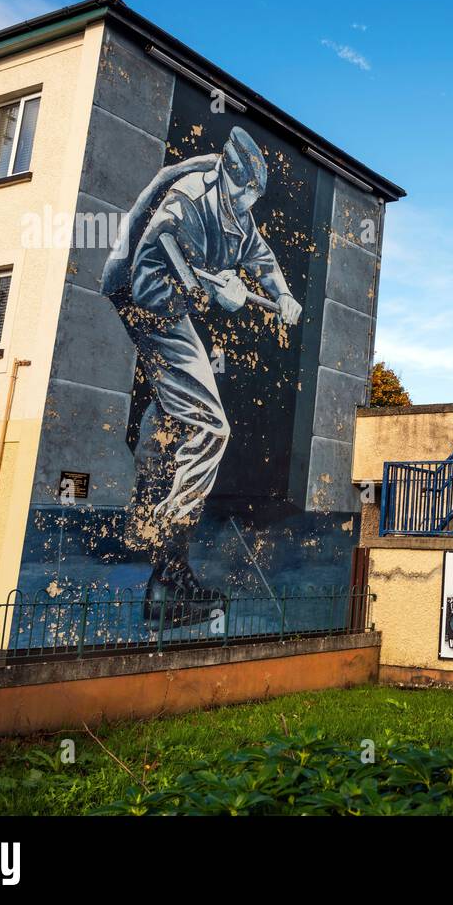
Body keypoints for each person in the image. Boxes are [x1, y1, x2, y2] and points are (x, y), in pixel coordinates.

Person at [101, 128, 304, 616]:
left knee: (169, 415)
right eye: (243, 195)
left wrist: (281, 294)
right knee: (211, 427)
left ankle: (142, 524)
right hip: (148, 302)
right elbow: (156, 276)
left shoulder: (235, 208)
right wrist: (209, 292)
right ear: (226, 177)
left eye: (253, 200)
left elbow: (259, 255)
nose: (247, 206)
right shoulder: (187, 202)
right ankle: (168, 559)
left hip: (171, 304)